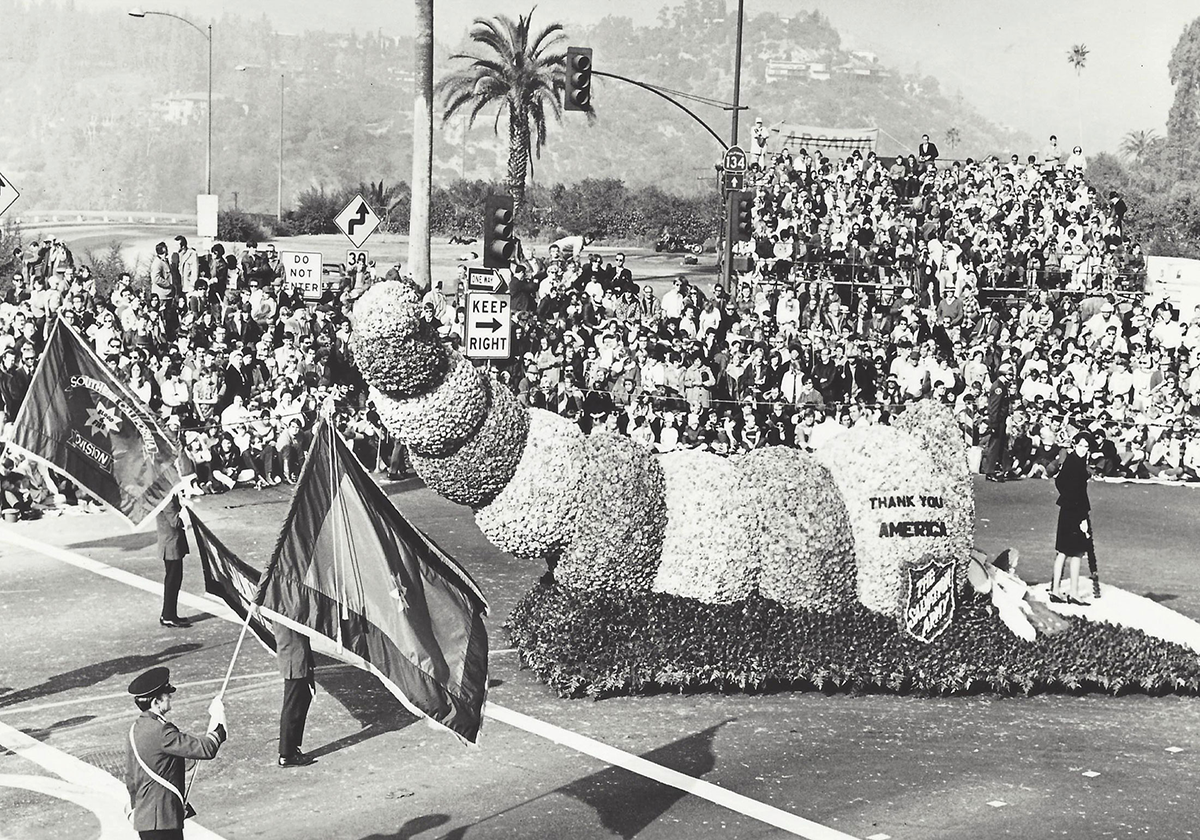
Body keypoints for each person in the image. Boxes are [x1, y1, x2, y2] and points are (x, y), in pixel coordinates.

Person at [125, 666, 226, 840]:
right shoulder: (162, 730)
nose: (170, 697)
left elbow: (131, 778)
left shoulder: (135, 729)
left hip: (146, 819)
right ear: (156, 702)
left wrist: (138, 808)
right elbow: (206, 749)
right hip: (163, 821)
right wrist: (218, 724)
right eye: (166, 695)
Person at [1051, 432, 1093, 605]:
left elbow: (1060, 482)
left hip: (1068, 510)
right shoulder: (1075, 463)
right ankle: (1072, 593)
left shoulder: (1073, 460)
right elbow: (1076, 491)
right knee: (1075, 553)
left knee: (1065, 552)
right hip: (1074, 512)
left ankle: (1056, 590)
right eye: (1081, 445)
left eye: (1086, 446)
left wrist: (1065, 498)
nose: (1083, 449)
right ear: (1075, 445)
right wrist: (1082, 517)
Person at [276, 625, 316, 767]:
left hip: (297, 653)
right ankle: (287, 754)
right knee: (294, 704)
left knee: (303, 697)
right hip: (293, 656)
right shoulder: (284, 609)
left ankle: (292, 748)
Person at [156, 494, 190, 627]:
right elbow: (176, 522)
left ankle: (170, 614)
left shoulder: (166, 496)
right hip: (171, 545)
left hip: (172, 543)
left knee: (174, 580)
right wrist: (186, 509)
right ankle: (168, 615)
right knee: (172, 581)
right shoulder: (167, 499)